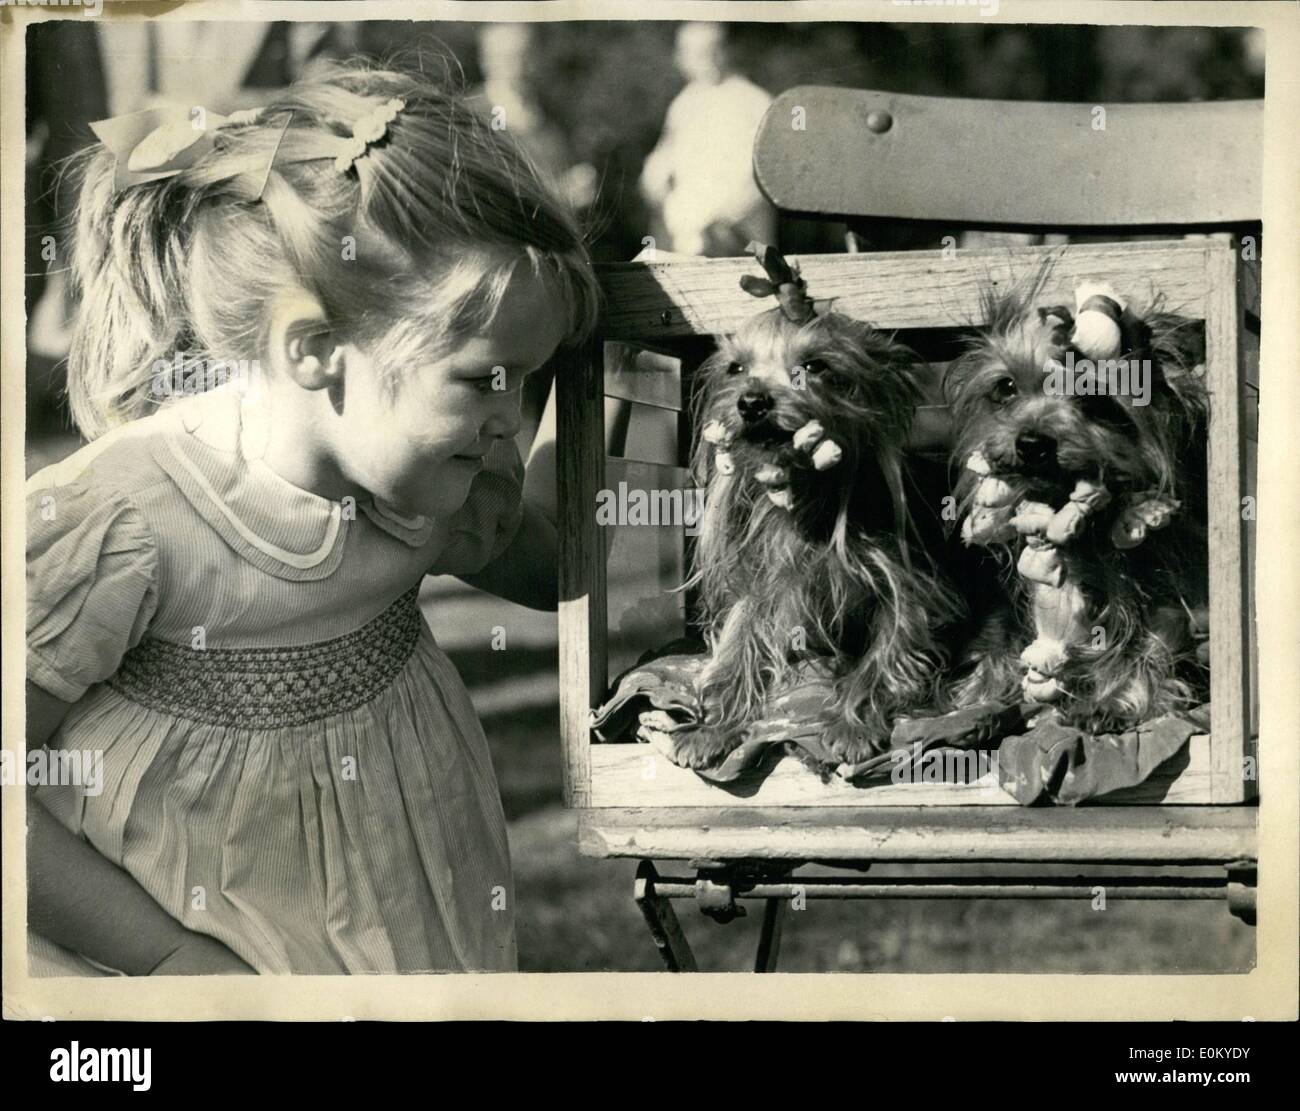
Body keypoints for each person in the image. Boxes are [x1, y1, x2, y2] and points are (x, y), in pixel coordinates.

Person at [25, 60, 600, 975]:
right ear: (316, 350)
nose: (509, 414)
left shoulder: (415, 485)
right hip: (190, 959)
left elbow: (555, 568)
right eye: (486, 377)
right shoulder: (131, 518)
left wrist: (621, 379)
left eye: (528, 379)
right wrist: (164, 955)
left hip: (398, 929)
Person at [639, 22, 777, 257]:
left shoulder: (755, 101)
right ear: (679, 57)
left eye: (713, 49)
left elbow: (766, 172)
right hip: (687, 236)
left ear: (727, 51)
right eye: (694, 52)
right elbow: (664, 156)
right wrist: (653, 177)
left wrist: (722, 220)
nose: (706, 59)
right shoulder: (684, 103)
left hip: (739, 237)